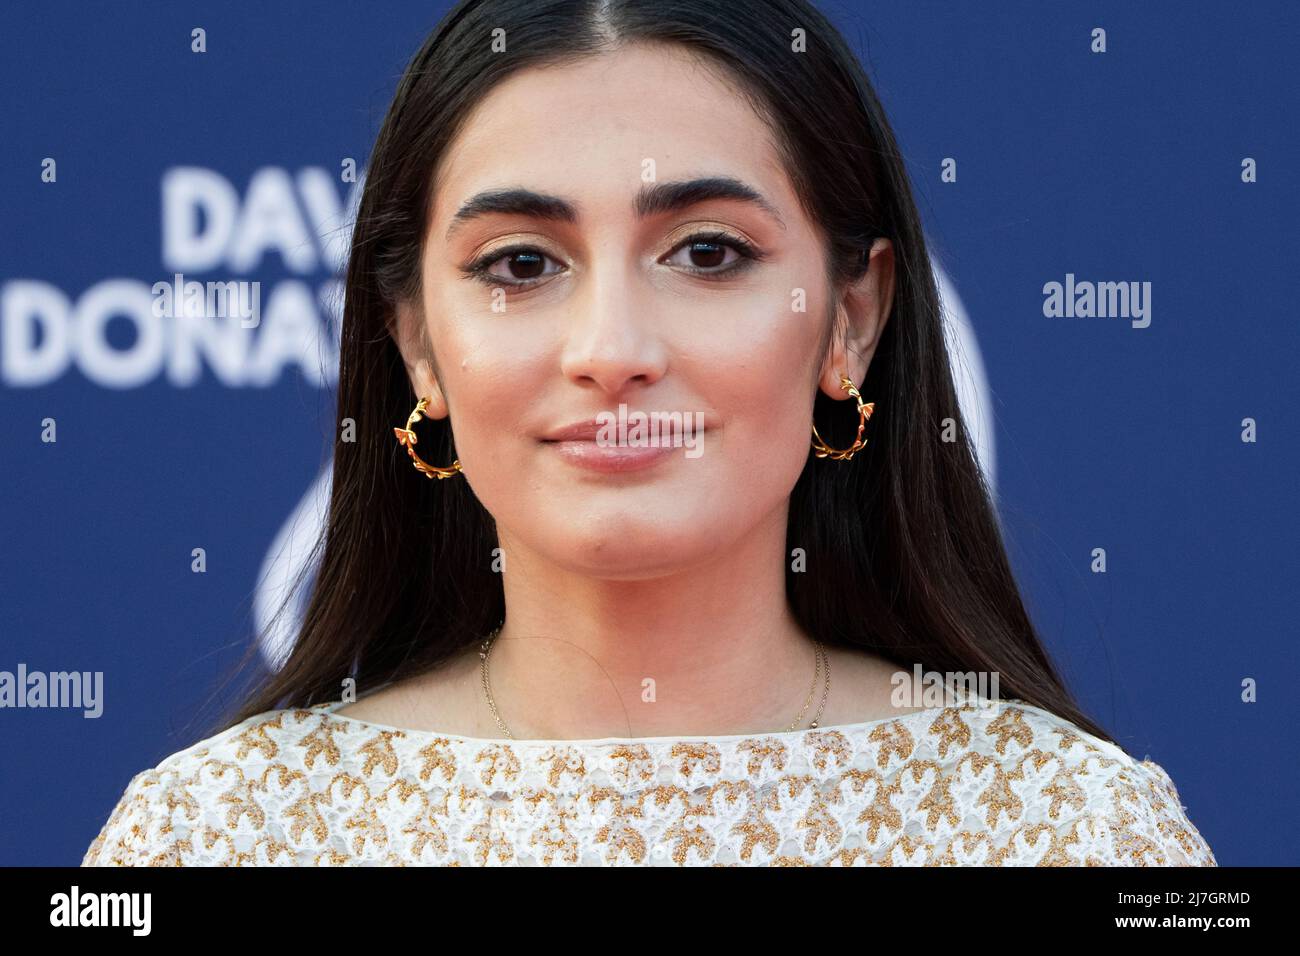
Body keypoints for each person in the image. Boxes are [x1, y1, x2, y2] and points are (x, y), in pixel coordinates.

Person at [83, 0, 1215, 867]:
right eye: (520, 264)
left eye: (707, 252)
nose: (611, 346)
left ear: (852, 317)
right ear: (418, 345)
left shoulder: (1077, 830)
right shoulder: (213, 836)